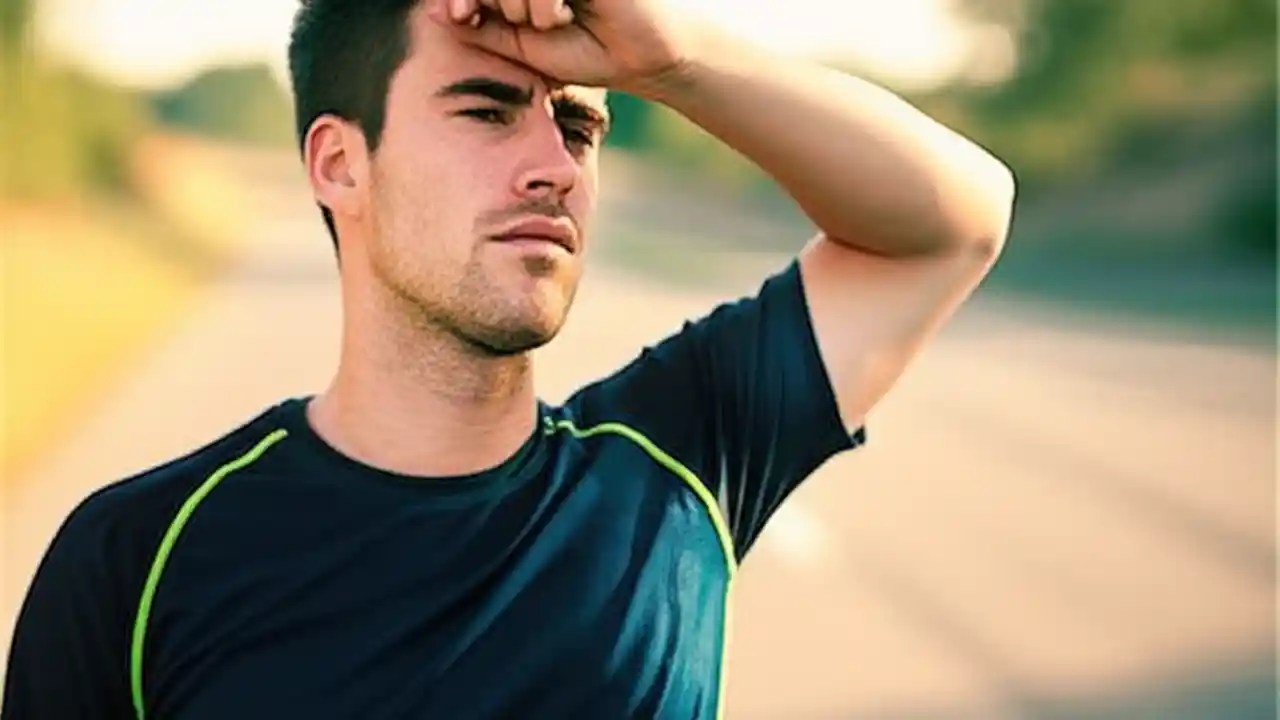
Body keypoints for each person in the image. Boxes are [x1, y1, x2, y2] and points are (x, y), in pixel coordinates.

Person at [3, 0, 1015, 717]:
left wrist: (671, 58)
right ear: (339, 162)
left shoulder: (675, 463)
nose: (552, 169)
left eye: (578, 125)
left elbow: (953, 221)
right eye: (486, 112)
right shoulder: (137, 559)